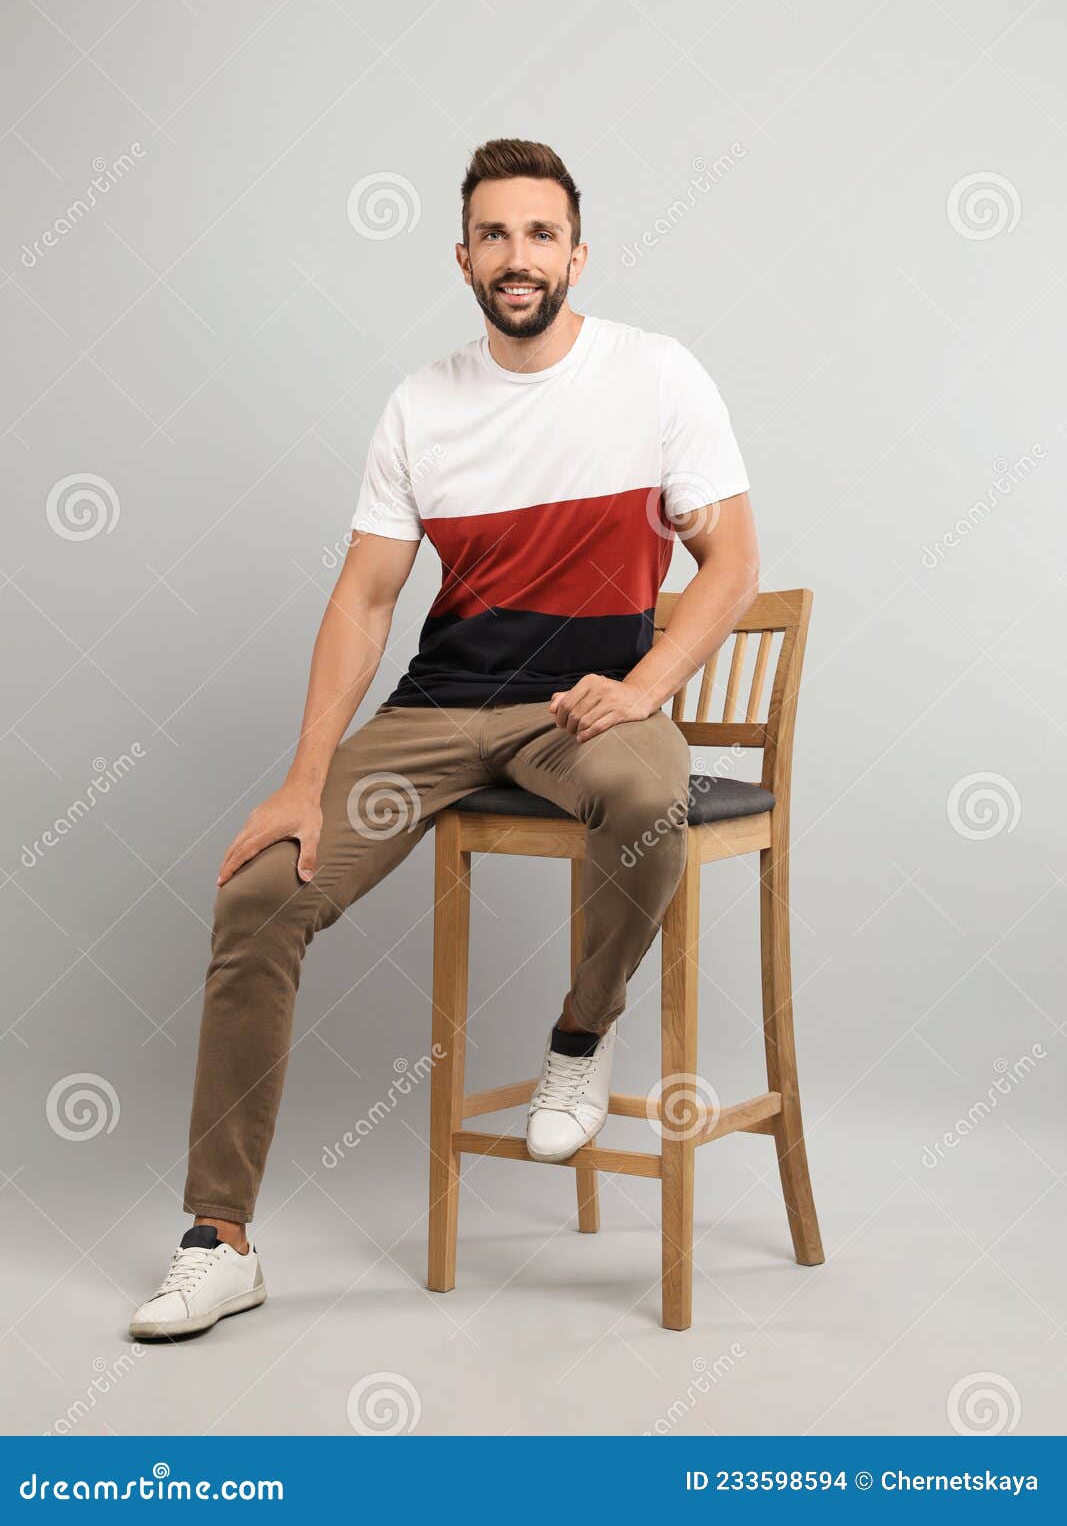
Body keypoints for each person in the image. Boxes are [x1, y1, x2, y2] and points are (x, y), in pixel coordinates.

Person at [129, 137, 759, 1340]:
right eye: (492, 235)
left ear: (576, 252)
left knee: (644, 794)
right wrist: (304, 779)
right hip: (435, 716)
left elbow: (729, 559)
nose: (515, 257)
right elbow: (365, 599)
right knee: (261, 891)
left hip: (575, 712)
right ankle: (219, 1239)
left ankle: (581, 1033)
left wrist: (645, 684)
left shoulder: (655, 375)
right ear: (462, 255)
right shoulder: (422, 402)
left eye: (537, 234)